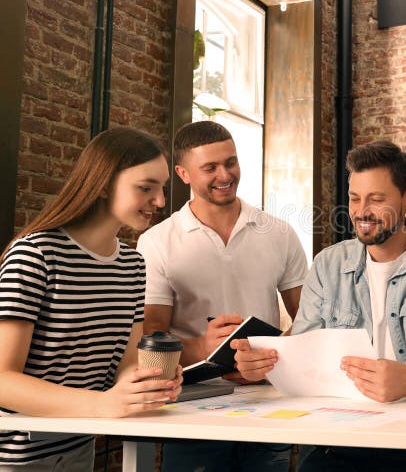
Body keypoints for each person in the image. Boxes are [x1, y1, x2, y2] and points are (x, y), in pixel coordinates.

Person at [233, 140, 406, 472]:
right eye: (355, 198)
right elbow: (304, 349)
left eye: (376, 199)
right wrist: (262, 365)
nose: (362, 211)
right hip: (338, 440)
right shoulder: (327, 264)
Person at [0, 127, 181, 470]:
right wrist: (104, 404)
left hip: (79, 445)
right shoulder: (36, 255)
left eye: (161, 189)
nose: (159, 201)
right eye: (146, 188)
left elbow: (126, 362)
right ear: (101, 184)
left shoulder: (132, 264)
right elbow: (2, 381)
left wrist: (147, 383)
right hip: (14, 455)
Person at [137, 120, 308, 472]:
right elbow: (151, 337)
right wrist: (203, 346)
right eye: (210, 167)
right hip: (192, 409)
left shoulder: (279, 232)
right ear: (183, 173)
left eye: (230, 162)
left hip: (269, 405)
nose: (224, 174)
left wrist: (271, 359)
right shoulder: (157, 241)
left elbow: (309, 318)